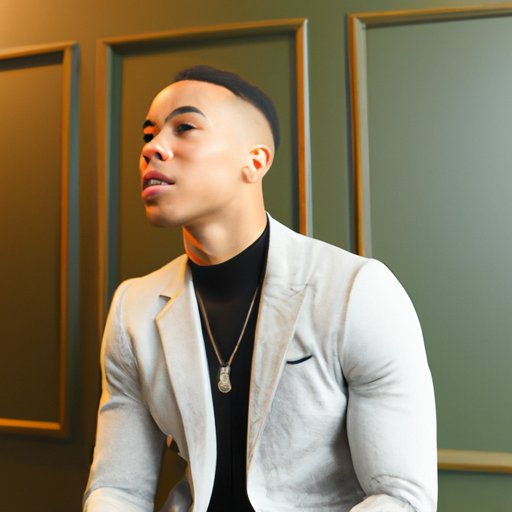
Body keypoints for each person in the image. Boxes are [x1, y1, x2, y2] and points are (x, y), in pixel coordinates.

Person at [84, 65, 437, 512]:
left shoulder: (357, 291)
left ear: (255, 161)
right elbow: (118, 488)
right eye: (148, 134)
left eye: (185, 127)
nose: (152, 148)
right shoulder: (133, 308)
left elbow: (400, 497)